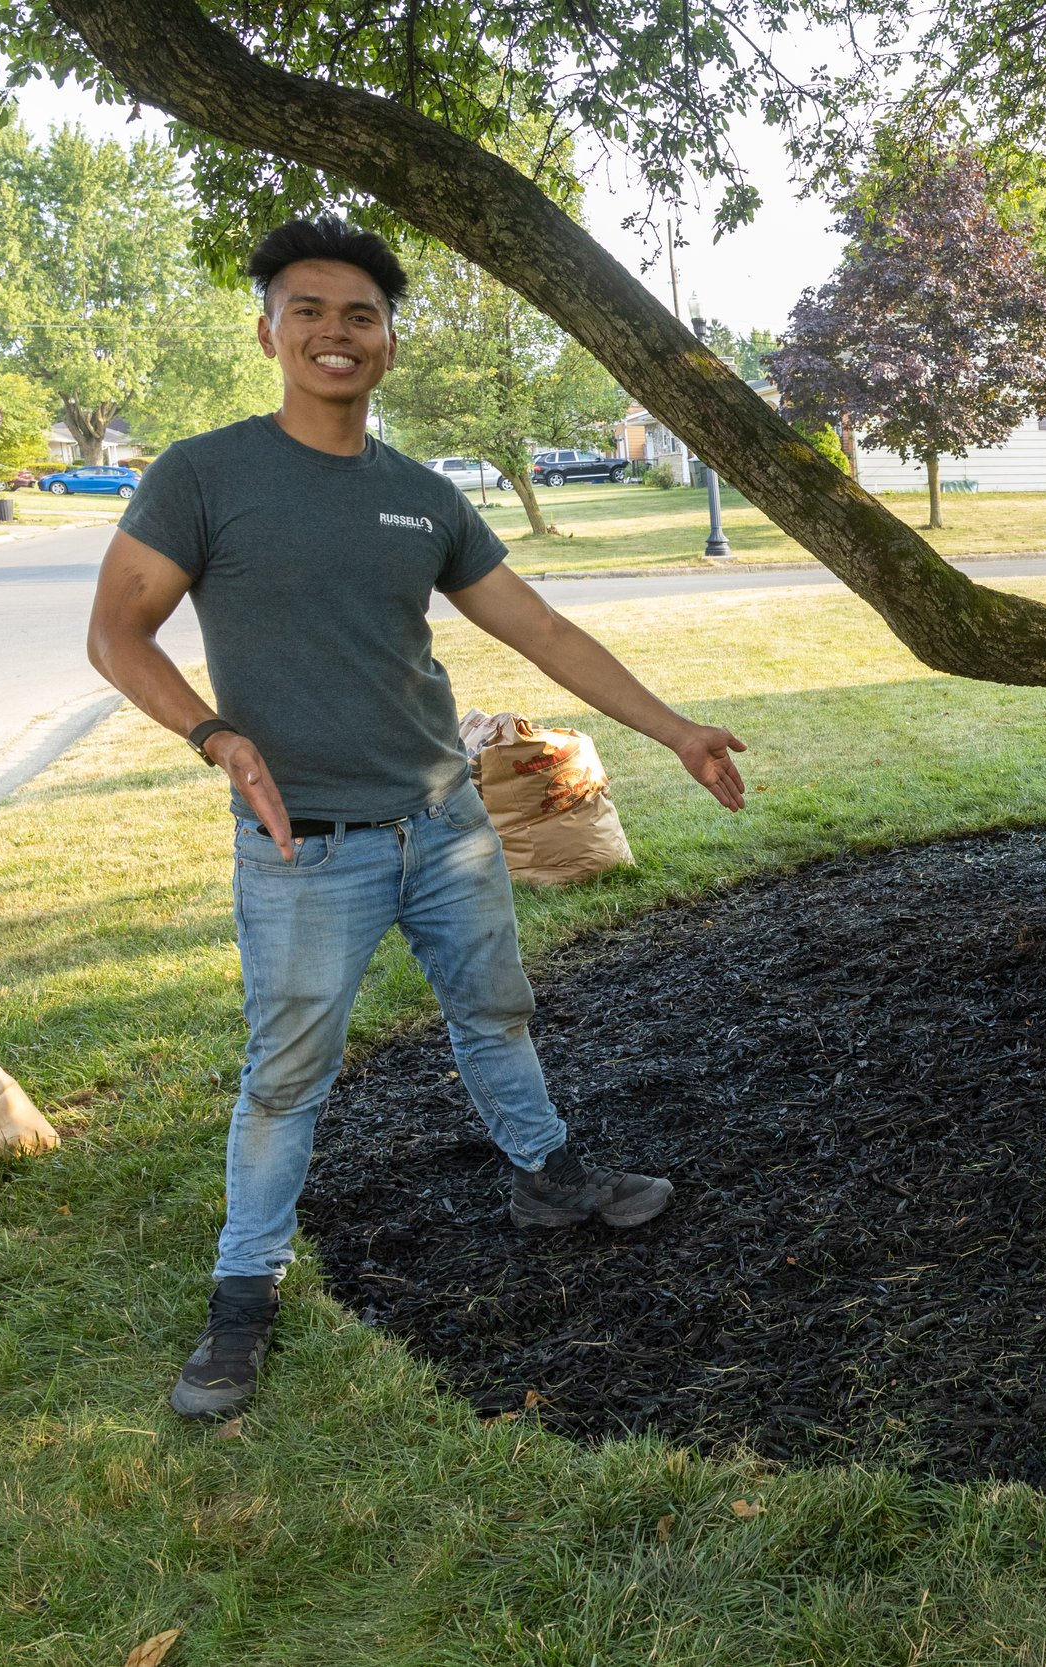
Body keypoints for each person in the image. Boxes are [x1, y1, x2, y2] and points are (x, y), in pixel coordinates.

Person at [86, 216, 749, 1423]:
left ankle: (548, 1178)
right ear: (269, 328)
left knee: (496, 1013)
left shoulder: (419, 497)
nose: (335, 333)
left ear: (388, 340)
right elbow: (116, 634)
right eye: (309, 310)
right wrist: (215, 733)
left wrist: (675, 729)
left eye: (360, 315)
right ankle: (243, 1297)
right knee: (286, 1077)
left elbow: (539, 628)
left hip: (444, 824)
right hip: (305, 851)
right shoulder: (204, 474)